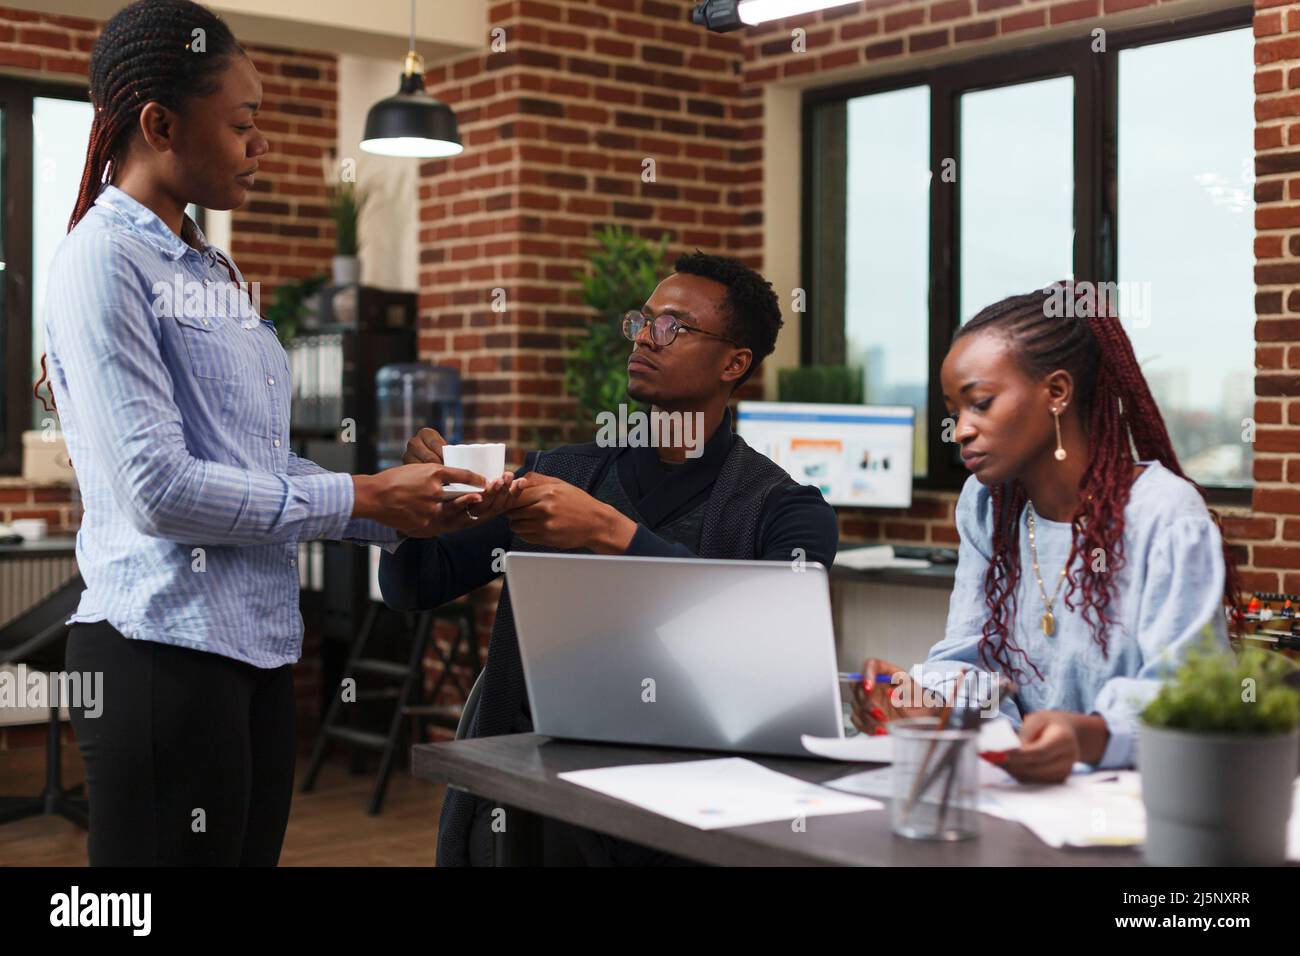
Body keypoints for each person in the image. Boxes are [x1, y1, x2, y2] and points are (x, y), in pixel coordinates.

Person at [39, 0, 506, 866]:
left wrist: (395, 509)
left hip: (252, 657)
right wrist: (362, 494)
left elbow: (252, 466)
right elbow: (160, 492)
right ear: (160, 124)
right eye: (244, 123)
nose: (264, 146)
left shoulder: (211, 266)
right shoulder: (103, 262)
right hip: (159, 658)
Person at [380, 251, 839, 865]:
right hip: (537, 801)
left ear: (736, 363)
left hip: (699, 808)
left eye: (673, 326)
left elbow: (770, 644)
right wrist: (416, 515)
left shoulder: (786, 510)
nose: (645, 337)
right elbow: (415, 587)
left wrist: (610, 533)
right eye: (643, 321)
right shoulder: (558, 474)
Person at [850, 282, 1240, 783]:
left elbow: (1192, 700)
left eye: (981, 404)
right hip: (1021, 797)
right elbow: (971, 656)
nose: (961, 430)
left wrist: (1087, 736)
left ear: (1057, 392)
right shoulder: (987, 505)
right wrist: (928, 704)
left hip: (1142, 808)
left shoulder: (1164, 515)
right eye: (954, 413)